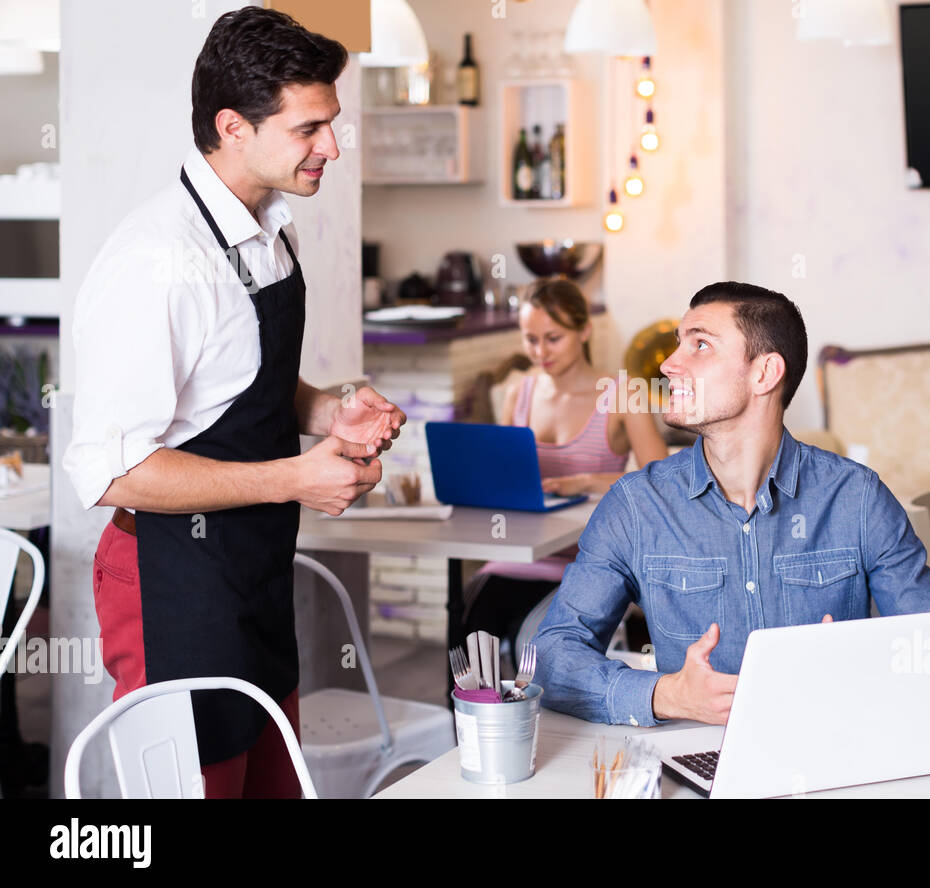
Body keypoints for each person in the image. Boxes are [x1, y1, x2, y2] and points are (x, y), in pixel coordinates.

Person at [62, 8, 406, 798]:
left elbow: (232, 382)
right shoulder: (157, 260)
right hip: (169, 581)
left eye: (333, 123)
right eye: (309, 128)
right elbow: (111, 470)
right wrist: (293, 477)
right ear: (233, 128)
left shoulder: (266, 229)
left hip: (250, 569)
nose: (332, 146)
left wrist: (325, 411)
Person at [532, 282, 930, 726]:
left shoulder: (858, 499)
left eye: (701, 345)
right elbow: (551, 658)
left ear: (764, 373)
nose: (670, 365)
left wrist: (862, 667)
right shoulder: (635, 507)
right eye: (679, 345)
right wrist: (663, 695)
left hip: (833, 756)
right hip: (695, 768)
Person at [463, 277, 667, 660]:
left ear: (584, 330)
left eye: (553, 338)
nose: (541, 351)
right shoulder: (517, 394)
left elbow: (661, 482)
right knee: (473, 635)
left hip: (587, 561)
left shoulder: (624, 394)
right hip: (523, 554)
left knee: (536, 647)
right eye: (530, 339)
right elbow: (506, 478)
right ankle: (471, 718)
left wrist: (586, 481)